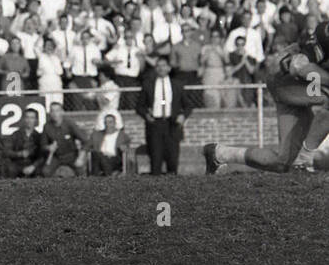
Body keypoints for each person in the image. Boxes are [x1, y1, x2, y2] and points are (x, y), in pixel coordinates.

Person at [205, 19, 329, 174]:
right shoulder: (325, 33)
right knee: (300, 160)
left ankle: (219, 153)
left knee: (283, 162)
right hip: (284, 78)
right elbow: (298, 66)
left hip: (298, 86)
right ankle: (305, 159)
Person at [138, 54, 188, 174]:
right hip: (155, 125)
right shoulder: (148, 84)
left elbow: (188, 105)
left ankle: (173, 189)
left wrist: (183, 116)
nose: (161, 68)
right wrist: (146, 115)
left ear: (169, 68)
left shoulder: (177, 84)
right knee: (156, 160)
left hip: (172, 124)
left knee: (172, 161)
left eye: (164, 65)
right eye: (158, 66)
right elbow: (139, 106)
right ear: (155, 68)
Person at [0, 107, 44, 178]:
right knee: (9, 168)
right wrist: (19, 154)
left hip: (32, 164)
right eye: (27, 117)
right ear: (24, 119)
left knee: (42, 170)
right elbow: (7, 151)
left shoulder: (39, 137)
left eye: (32, 118)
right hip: (18, 163)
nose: (29, 120)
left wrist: (33, 166)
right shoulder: (16, 134)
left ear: (36, 120)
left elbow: (42, 156)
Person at [40, 103, 85, 176]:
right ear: (50, 113)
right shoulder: (47, 126)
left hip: (71, 155)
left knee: (80, 171)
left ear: (62, 112)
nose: (55, 114)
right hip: (56, 157)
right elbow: (43, 145)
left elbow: (85, 141)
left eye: (57, 111)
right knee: (45, 171)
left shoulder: (70, 124)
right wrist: (49, 147)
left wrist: (80, 157)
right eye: (52, 111)